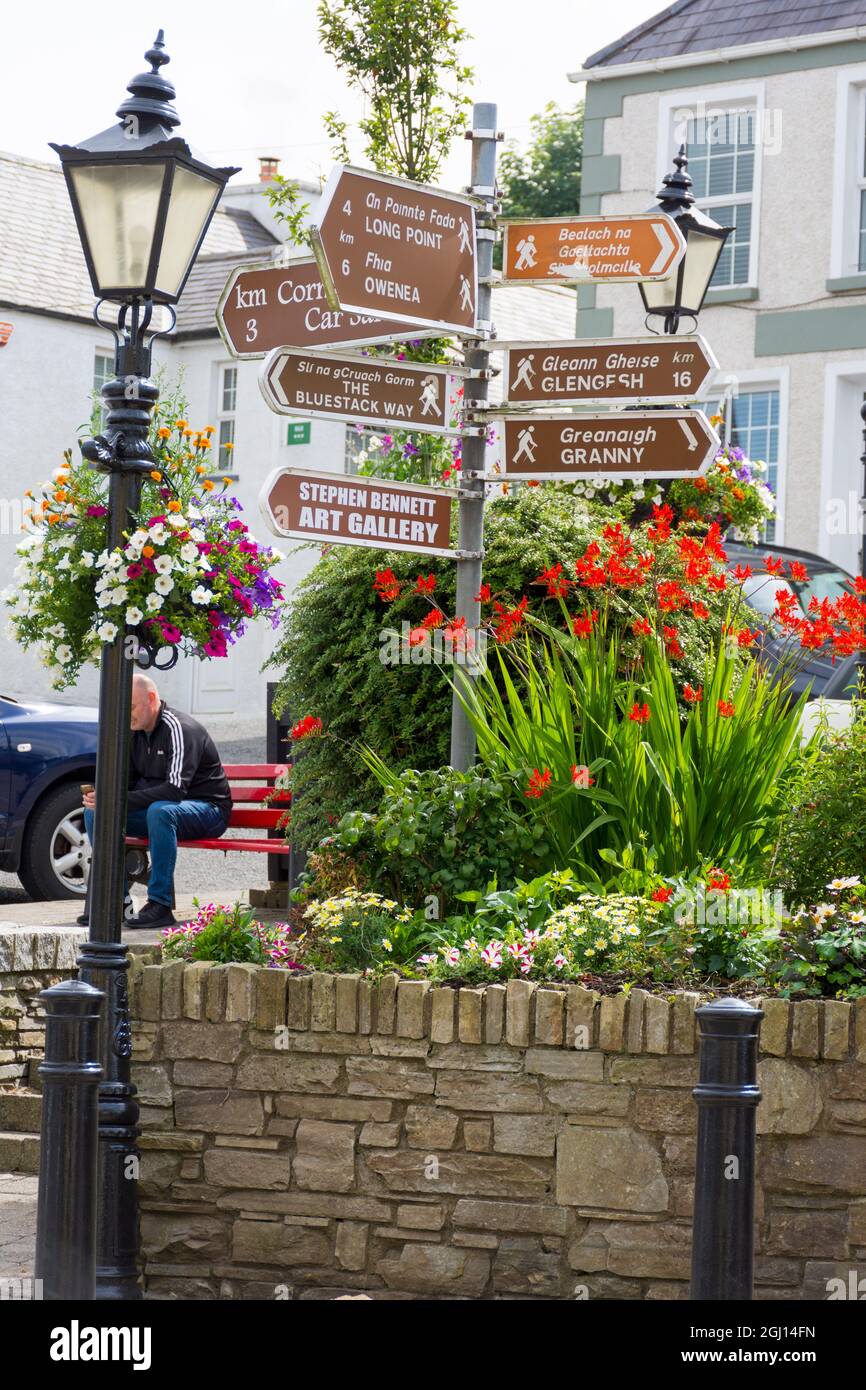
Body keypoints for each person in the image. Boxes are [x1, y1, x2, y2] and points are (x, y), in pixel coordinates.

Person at [79, 674, 231, 929]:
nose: (127, 715)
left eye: (131, 707)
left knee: (160, 811)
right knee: (97, 812)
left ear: (151, 699)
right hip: (161, 811)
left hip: (208, 810)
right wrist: (103, 796)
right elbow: (125, 784)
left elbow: (174, 791)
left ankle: (160, 905)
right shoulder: (134, 732)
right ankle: (117, 901)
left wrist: (118, 799)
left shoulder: (179, 728)